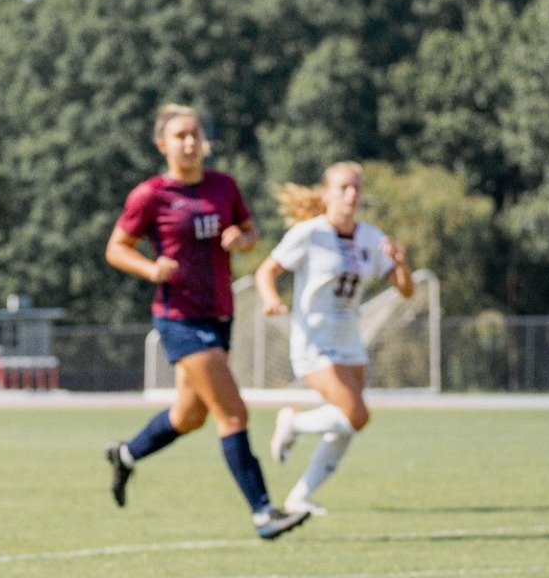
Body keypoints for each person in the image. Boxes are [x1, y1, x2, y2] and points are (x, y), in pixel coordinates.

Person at [101, 104, 309, 540]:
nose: (190, 143)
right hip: (179, 318)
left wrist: (243, 239)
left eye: (196, 135)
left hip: (220, 314)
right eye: (180, 136)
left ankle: (125, 454)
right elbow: (116, 248)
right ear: (163, 145)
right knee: (232, 413)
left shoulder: (223, 186)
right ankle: (264, 513)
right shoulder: (151, 195)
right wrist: (150, 268)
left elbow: (249, 233)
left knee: (189, 415)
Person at [255, 163, 413, 515]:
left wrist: (401, 264)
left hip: (350, 341)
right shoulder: (309, 233)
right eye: (343, 188)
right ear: (325, 194)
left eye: (356, 188)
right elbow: (266, 270)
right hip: (314, 341)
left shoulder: (372, 237)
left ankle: (300, 496)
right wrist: (271, 298)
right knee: (356, 416)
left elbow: (405, 290)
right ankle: (292, 422)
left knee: (345, 425)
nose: (351, 194)